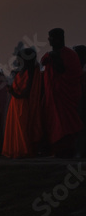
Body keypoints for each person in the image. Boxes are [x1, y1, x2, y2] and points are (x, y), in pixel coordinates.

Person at [40, 28, 84, 157]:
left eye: (51, 38)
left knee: (66, 123)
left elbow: (68, 73)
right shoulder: (51, 55)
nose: (49, 40)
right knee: (54, 122)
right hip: (52, 96)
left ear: (58, 39)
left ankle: (67, 150)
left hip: (65, 96)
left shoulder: (70, 55)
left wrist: (55, 57)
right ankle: (56, 149)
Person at [3, 48, 43, 158]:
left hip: (22, 104)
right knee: (17, 129)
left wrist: (12, 92)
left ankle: (23, 150)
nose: (18, 61)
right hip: (15, 104)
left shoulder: (30, 72)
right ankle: (18, 150)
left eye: (19, 58)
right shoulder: (22, 72)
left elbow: (25, 93)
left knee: (22, 129)